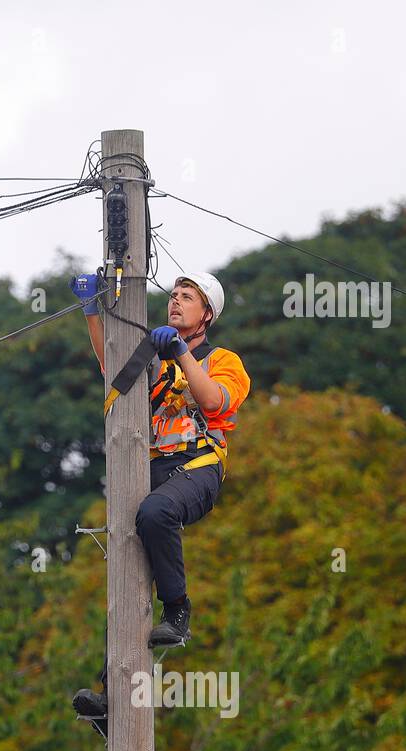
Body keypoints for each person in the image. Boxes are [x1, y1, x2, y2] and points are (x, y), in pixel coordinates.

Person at [68, 271, 251, 720]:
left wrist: (182, 353)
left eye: (188, 297)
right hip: (149, 465)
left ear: (207, 314)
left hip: (198, 465)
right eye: (173, 295)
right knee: (128, 568)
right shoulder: (151, 353)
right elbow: (113, 365)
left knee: (156, 512)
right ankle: (112, 699)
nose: (175, 302)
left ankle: (178, 610)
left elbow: (212, 402)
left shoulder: (223, 359)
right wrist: (92, 310)